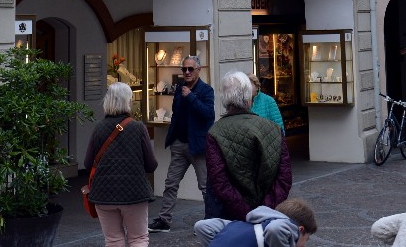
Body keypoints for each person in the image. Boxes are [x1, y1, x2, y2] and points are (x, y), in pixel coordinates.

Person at [205, 71, 292, 221]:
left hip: (230, 217)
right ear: (249, 98)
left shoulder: (215, 133)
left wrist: (245, 213)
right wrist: (265, 209)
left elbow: (220, 182)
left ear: (225, 99)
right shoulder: (274, 129)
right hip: (268, 215)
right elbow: (284, 177)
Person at [84, 83, 158, 247]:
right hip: (134, 193)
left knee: (113, 240)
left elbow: (87, 163)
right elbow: (151, 165)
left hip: (104, 194)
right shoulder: (138, 128)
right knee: (138, 238)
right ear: (128, 101)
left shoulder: (98, 128)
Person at [149, 55, 215, 233]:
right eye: (184, 69)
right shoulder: (179, 89)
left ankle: (210, 220)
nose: (186, 72)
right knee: (171, 183)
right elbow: (177, 113)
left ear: (198, 70)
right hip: (179, 144)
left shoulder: (206, 90)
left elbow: (209, 115)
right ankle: (164, 220)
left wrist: (192, 97)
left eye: (190, 69)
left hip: (198, 146)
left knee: (205, 185)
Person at [194, 199, 317, 246]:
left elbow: (202, 226)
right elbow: (275, 229)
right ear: (299, 229)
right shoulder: (285, 227)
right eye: (306, 240)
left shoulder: (239, 226)